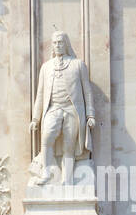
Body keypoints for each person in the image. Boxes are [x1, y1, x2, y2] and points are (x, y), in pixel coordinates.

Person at [29, 31, 96, 186]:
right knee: (46, 138)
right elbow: (40, 94)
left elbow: (87, 92)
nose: (57, 45)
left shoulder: (78, 65)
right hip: (53, 109)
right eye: (55, 43)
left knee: (69, 145)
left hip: (71, 110)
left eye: (60, 42)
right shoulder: (46, 67)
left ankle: (67, 179)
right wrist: (35, 119)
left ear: (66, 44)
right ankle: (45, 173)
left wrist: (90, 115)